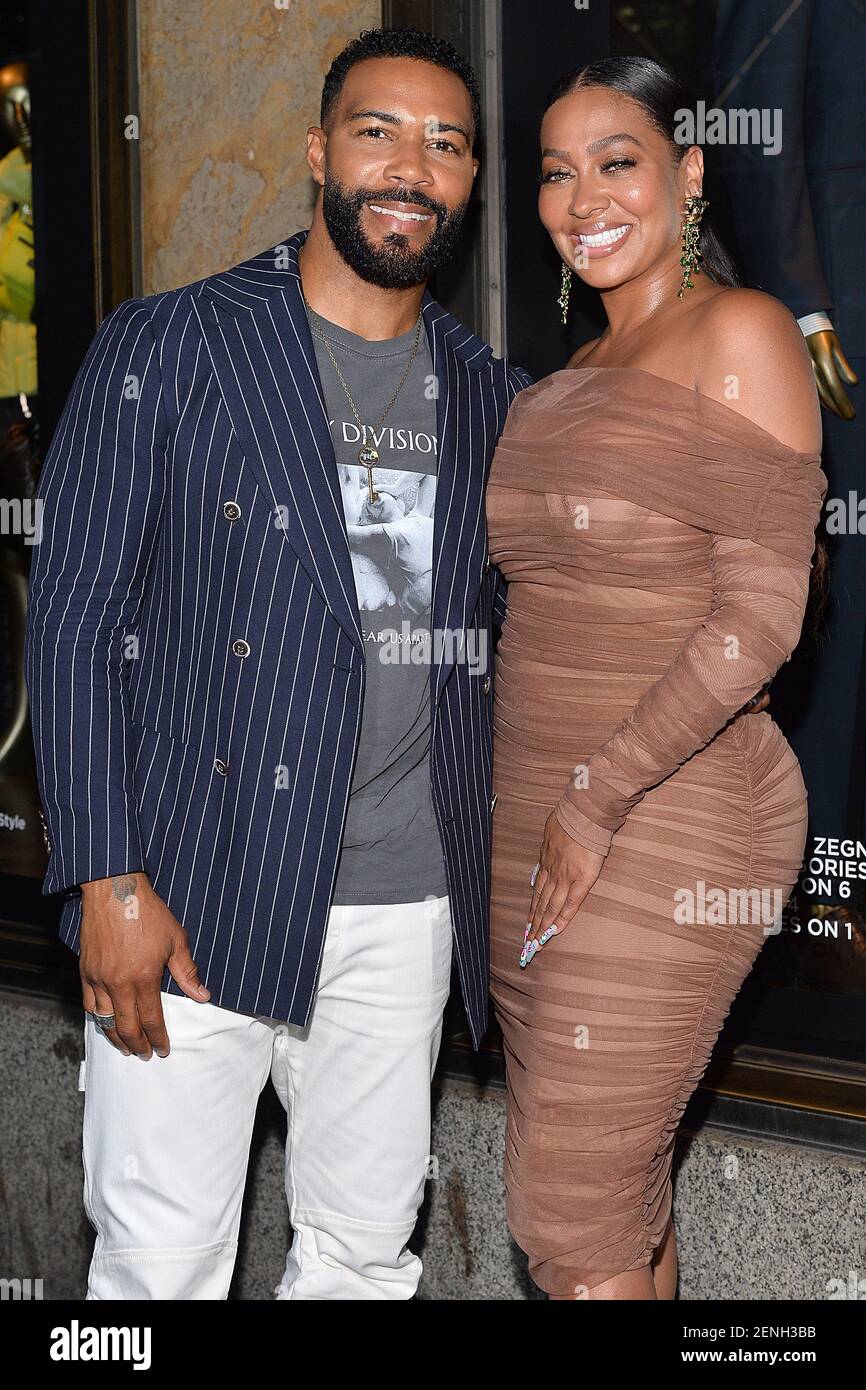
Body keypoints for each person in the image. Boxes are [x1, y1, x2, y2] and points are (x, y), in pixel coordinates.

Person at [24, 27, 531, 1300]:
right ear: (316, 152)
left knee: (360, 1258)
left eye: (445, 143)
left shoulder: (490, 397)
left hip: (402, 911)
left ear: (470, 180)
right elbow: (75, 620)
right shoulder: (169, 345)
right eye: (377, 132)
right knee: (157, 1265)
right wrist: (106, 879)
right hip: (192, 892)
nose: (410, 165)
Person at [486, 56, 827, 1300]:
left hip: (667, 813)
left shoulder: (739, 333)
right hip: (529, 823)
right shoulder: (563, 377)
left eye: (615, 161)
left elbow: (759, 620)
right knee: (608, 1193)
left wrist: (593, 800)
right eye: (555, 173)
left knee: (564, 1211)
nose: (582, 198)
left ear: (686, 175)